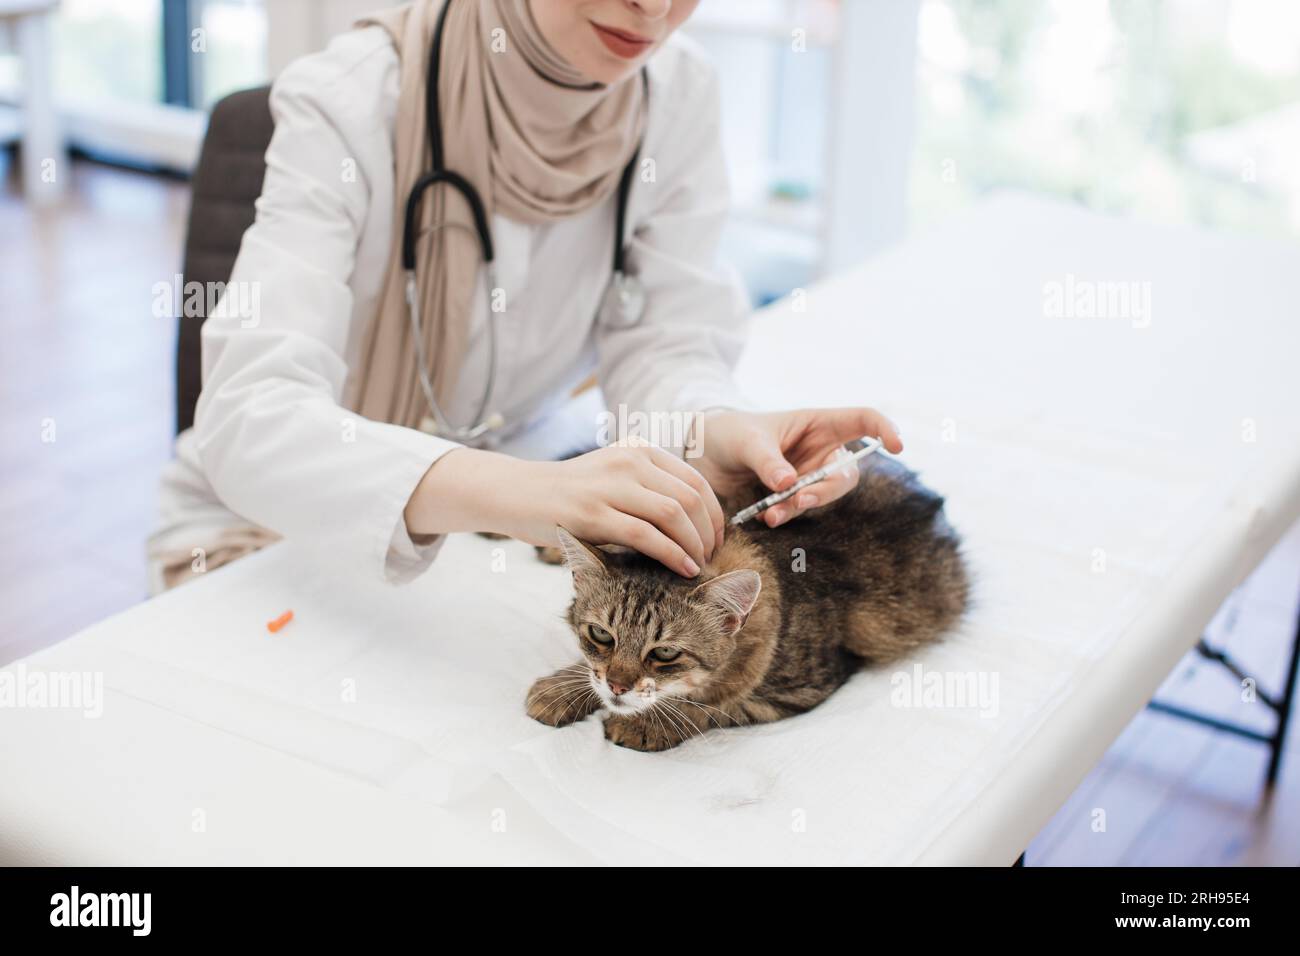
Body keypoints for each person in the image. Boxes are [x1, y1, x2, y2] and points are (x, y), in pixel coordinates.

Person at [147, 0, 902, 593]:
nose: (654, 7)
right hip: (268, 533)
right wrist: (533, 495)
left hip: (497, 522)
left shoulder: (677, 94)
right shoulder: (349, 101)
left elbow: (664, 342)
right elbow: (248, 418)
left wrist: (716, 435)